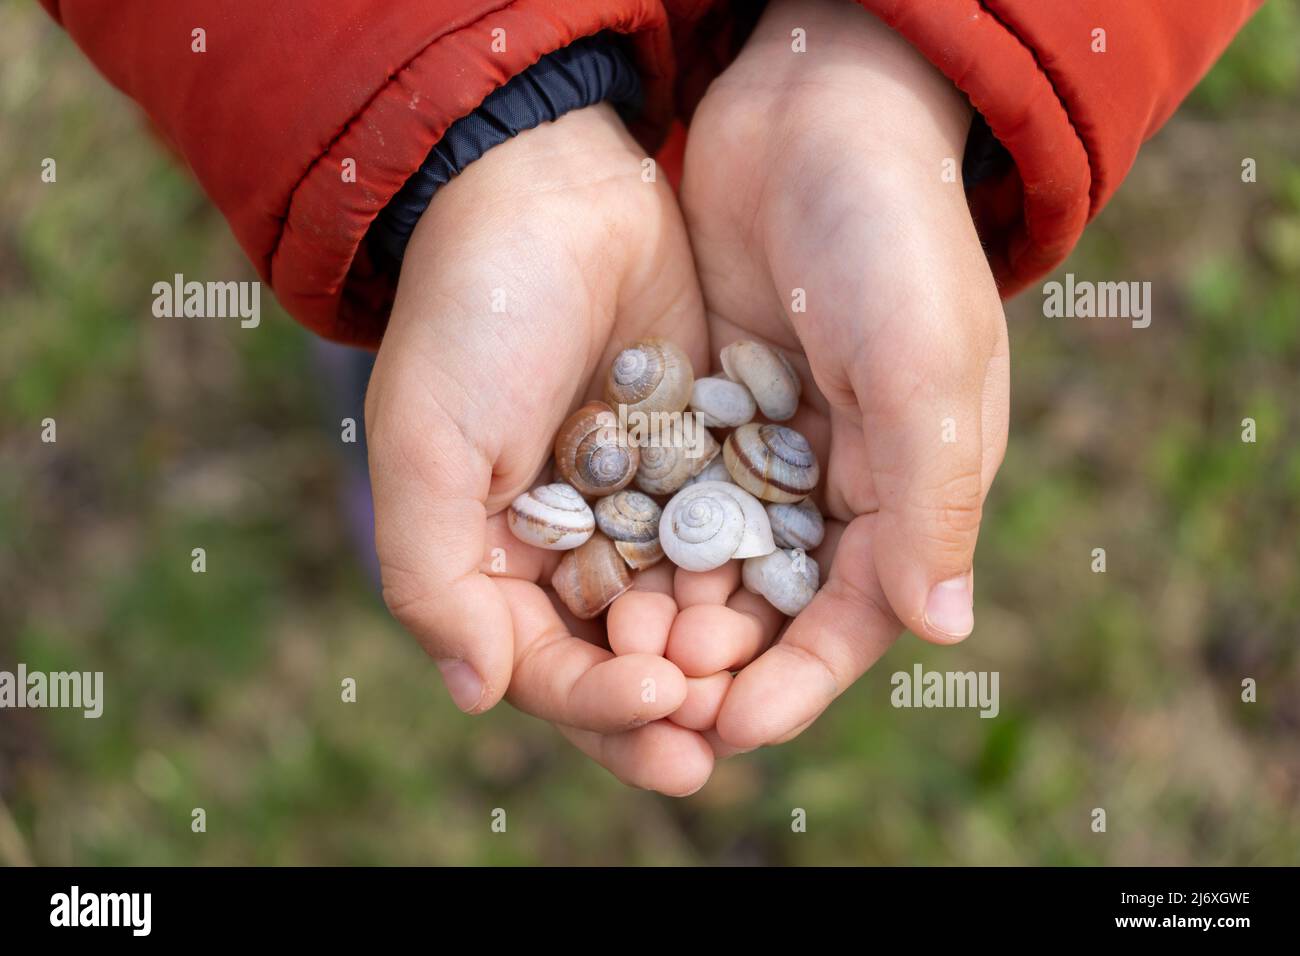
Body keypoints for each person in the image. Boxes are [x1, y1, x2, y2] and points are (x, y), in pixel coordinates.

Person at [40, 0, 1263, 794]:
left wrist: (897, 71)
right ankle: (424, 375)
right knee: (439, 346)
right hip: (436, 168)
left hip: (804, 191)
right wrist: (453, 135)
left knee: (463, 376)